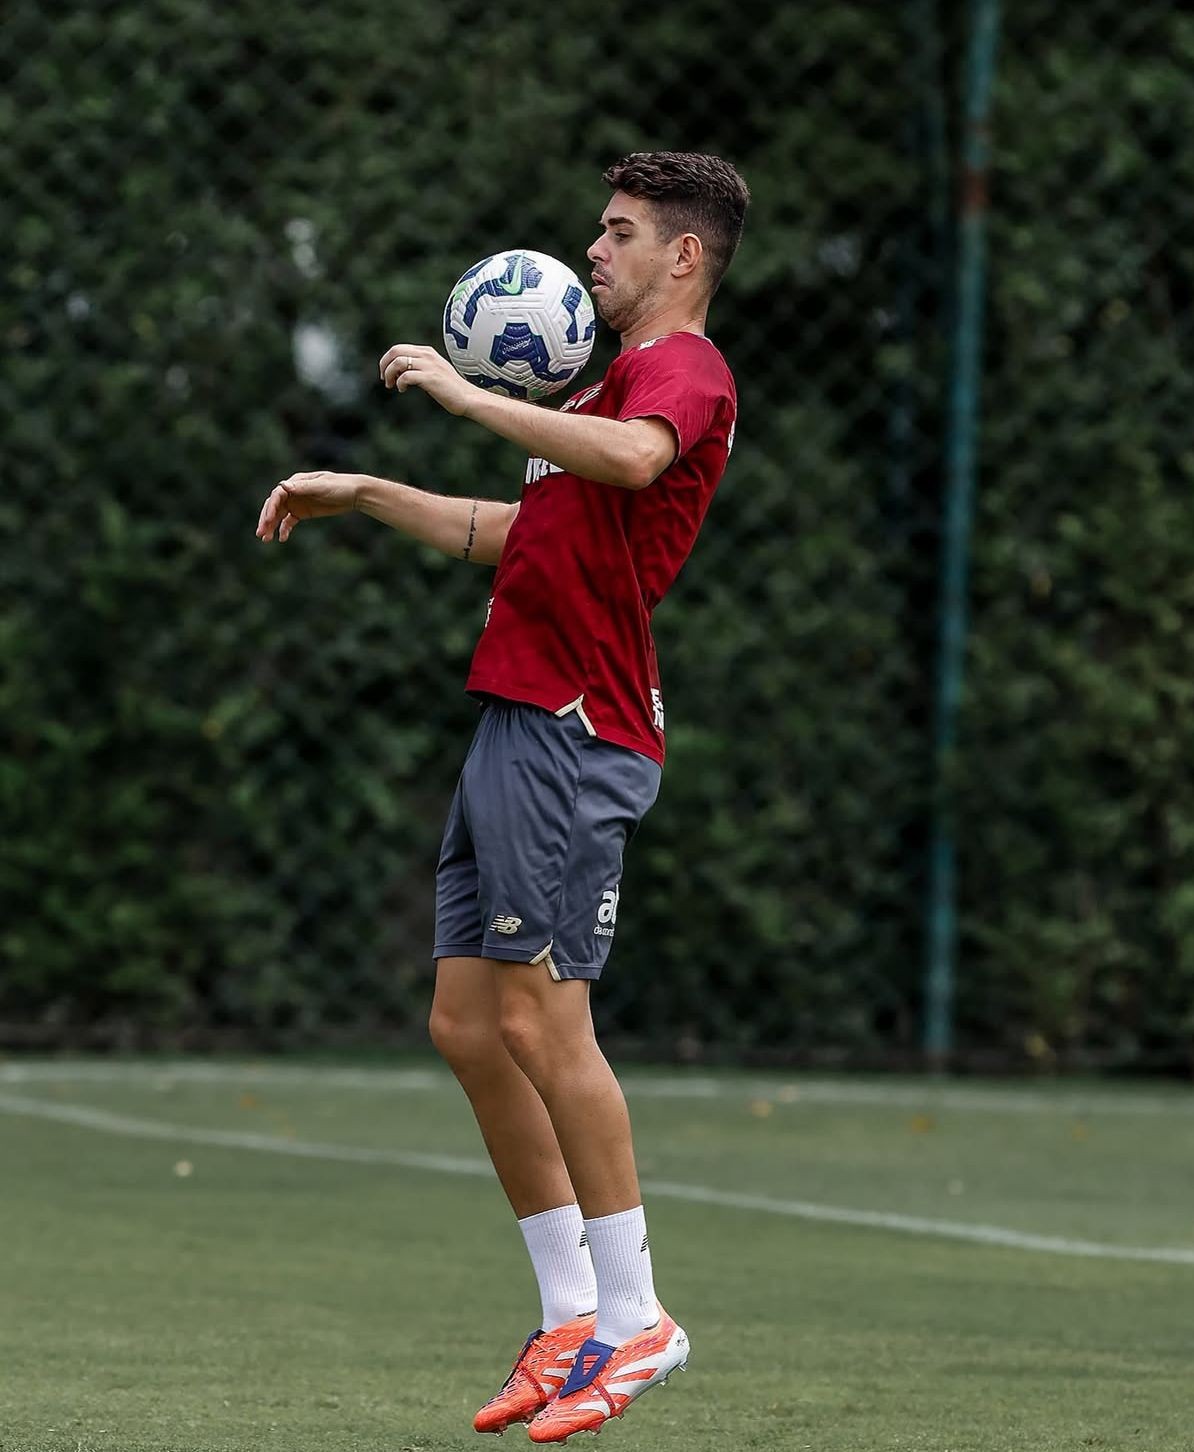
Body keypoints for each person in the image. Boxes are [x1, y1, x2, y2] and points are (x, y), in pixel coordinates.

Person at [256, 150, 750, 1443]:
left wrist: (472, 397)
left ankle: (638, 1318)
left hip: (571, 728)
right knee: (469, 1025)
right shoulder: (592, 390)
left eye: (619, 231)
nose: (595, 251)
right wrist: (365, 492)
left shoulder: (676, 373)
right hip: (516, 715)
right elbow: (508, 531)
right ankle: (569, 1315)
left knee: (543, 1027)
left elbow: (637, 464)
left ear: (681, 256)